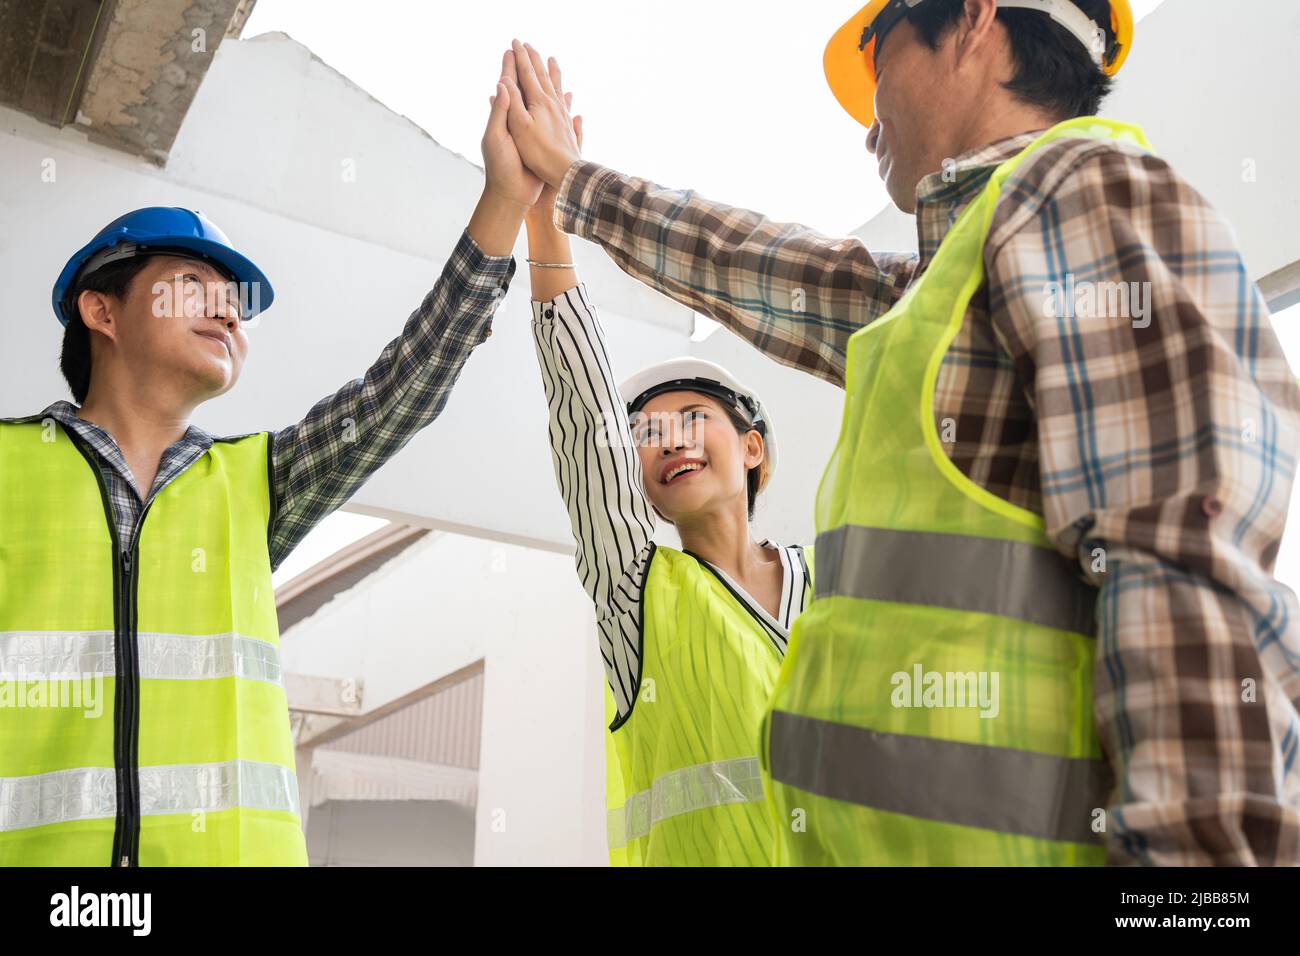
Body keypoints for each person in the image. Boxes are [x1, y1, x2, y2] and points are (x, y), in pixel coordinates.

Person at [498, 0, 1300, 867]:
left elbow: (1187, 587)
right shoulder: (947, 282)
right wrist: (571, 187)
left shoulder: (1082, 194)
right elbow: (762, 269)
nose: (867, 123)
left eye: (876, 61)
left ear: (971, 19)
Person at [0, 54, 541, 866]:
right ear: (100, 309)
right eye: (192, 283)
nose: (227, 308)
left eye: (236, 302)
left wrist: (504, 201)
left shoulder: (256, 484)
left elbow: (406, 386)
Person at [516, 87, 813, 865]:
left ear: (752, 449)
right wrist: (546, 221)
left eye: (692, 420)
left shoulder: (841, 590)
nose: (667, 441)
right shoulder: (634, 594)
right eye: (645, 435)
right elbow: (585, 425)